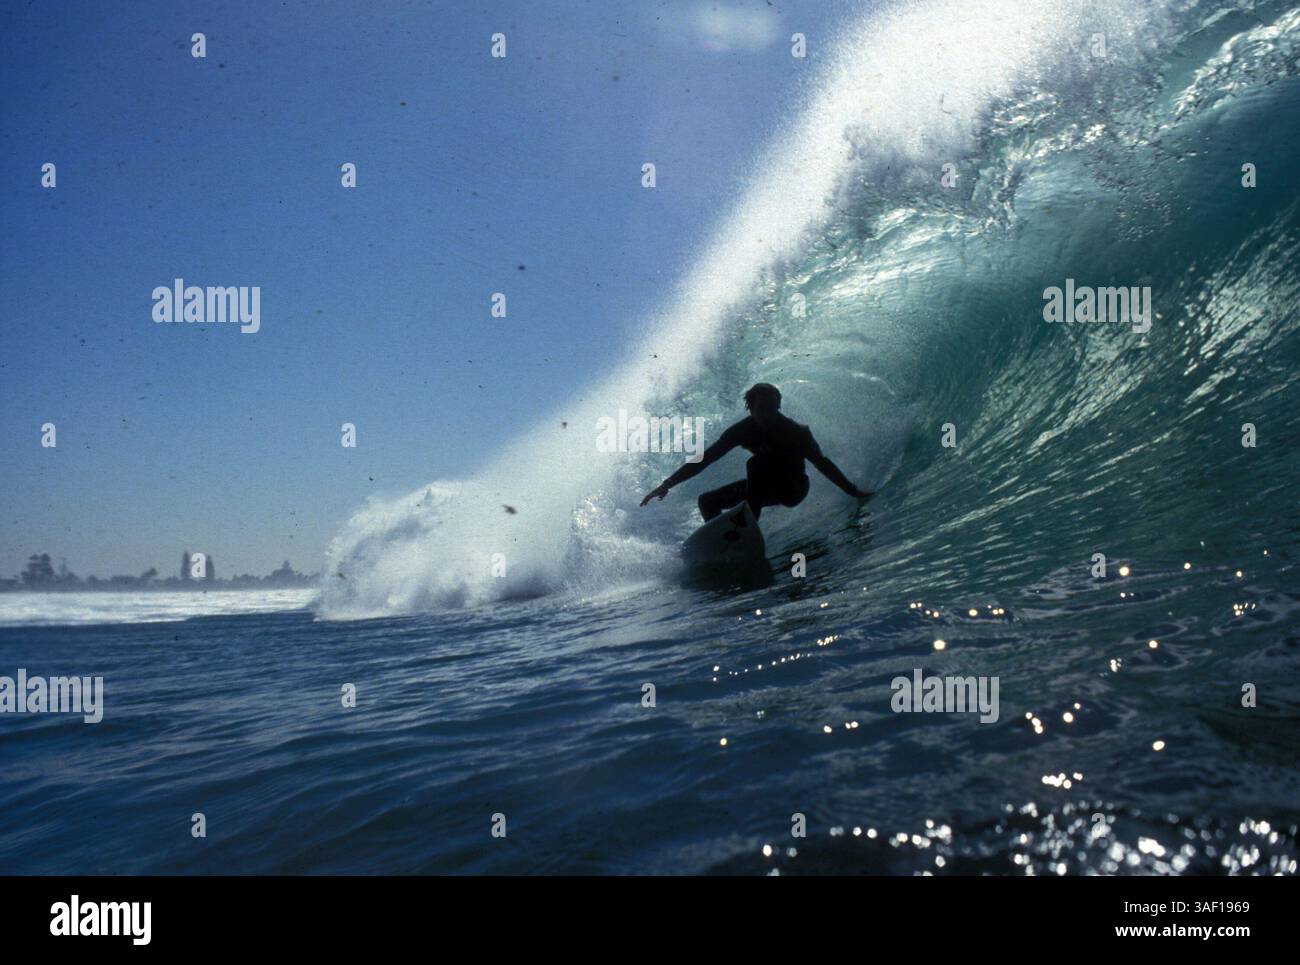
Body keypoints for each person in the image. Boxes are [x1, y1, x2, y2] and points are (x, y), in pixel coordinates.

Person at [640, 383, 873, 521]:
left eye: (772, 408)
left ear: (778, 406)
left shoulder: (797, 431)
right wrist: (667, 483)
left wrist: (851, 490)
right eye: (761, 409)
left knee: (756, 464)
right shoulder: (742, 431)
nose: (767, 414)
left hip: (793, 488)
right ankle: (731, 544)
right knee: (707, 501)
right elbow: (705, 459)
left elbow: (822, 463)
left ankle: (747, 524)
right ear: (750, 408)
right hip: (764, 490)